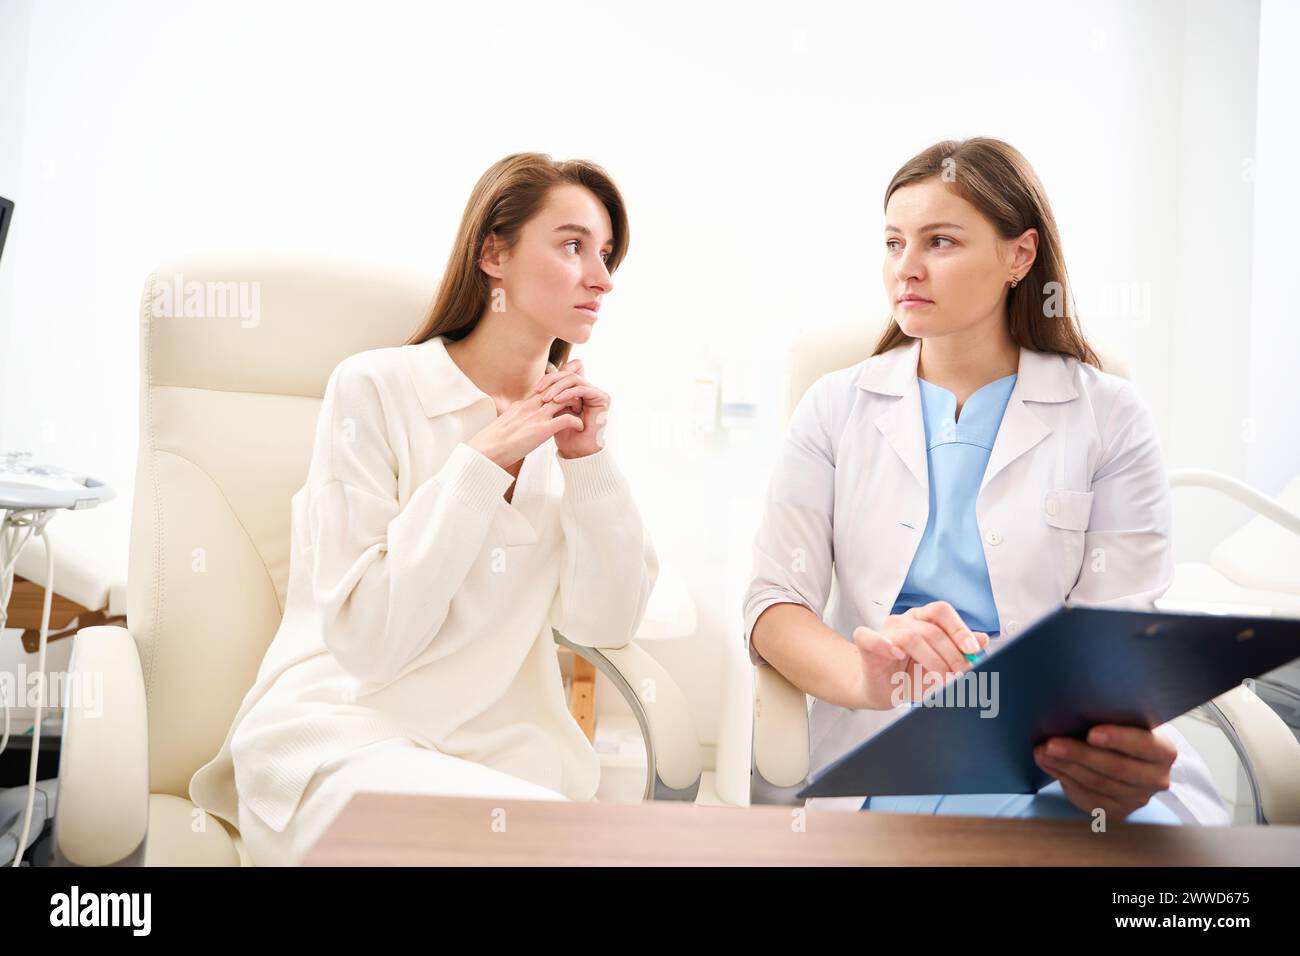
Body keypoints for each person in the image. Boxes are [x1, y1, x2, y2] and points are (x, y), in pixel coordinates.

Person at [189, 153, 658, 864]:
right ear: (493, 253)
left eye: (607, 254)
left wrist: (588, 466)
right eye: (572, 246)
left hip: (501, 762)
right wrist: (480, 463)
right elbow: (372, 640)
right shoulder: (374, 389)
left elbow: (606, 621)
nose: (602, 276)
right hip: (346, 741)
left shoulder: (572, 431)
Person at [744, 137, 1228, 825]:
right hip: (895, 740)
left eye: (939, 242)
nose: (905, 268)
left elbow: (1117, 635)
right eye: (892, 243)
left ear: (1019, 256)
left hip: (1057, 750)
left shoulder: (1109, 416)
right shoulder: (835, 407)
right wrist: (866, 676)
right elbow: (773, 607)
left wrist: (1106, 751)